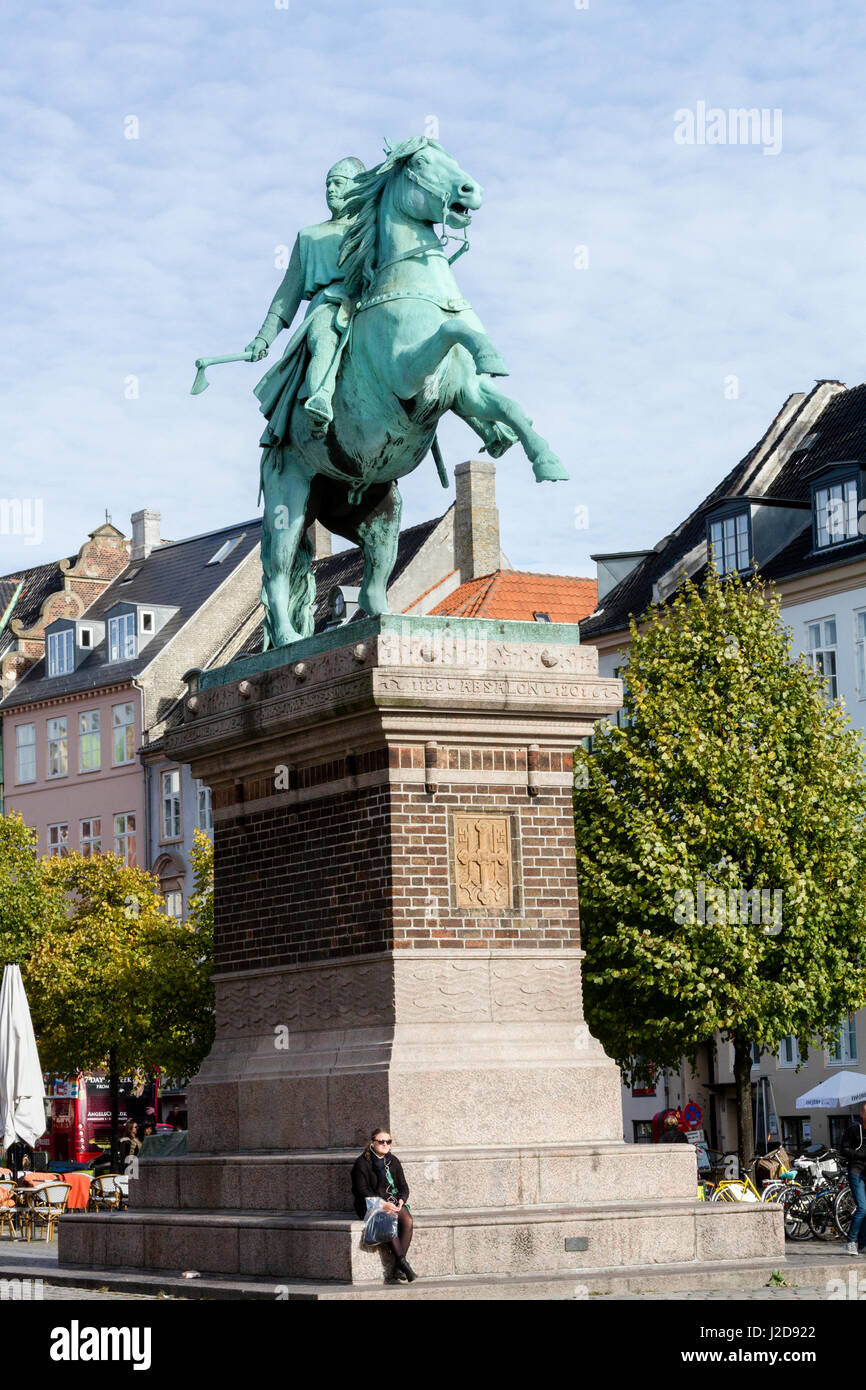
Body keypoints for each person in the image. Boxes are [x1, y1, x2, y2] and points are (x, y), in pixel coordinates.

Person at [246, 156, 365, 439]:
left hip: (367, 304)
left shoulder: (372, 230)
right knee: (326, 337)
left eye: (338, 183)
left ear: (357, 188)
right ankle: (320, 397)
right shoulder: (310, 236)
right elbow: (287, 293)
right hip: (327, 307)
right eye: (328, 185)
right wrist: (263, 338)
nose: (331, 190)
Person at [351, 1128, 417, 1283]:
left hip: (392, 1201)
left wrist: (401, 1200)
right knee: (388, 1221)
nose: (385, 1144)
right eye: (381, 1141)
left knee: (407, 1220)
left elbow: (403, 1186)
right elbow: (361, 1190)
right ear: (373, 1143)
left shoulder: (392, 1160)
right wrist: (382, 1204)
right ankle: (403, 1264)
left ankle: (397, 1267)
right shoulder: (362, 1163)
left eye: (388, 1141)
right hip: (370, 1204)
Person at [840, 1104, 866, 1255]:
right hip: (857, 1171)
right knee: (862, 1208)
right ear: (862, 1114)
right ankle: (851, 1241)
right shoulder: (853, 1130)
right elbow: (844, 1150)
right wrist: (860, 1154)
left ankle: (863, 1243)